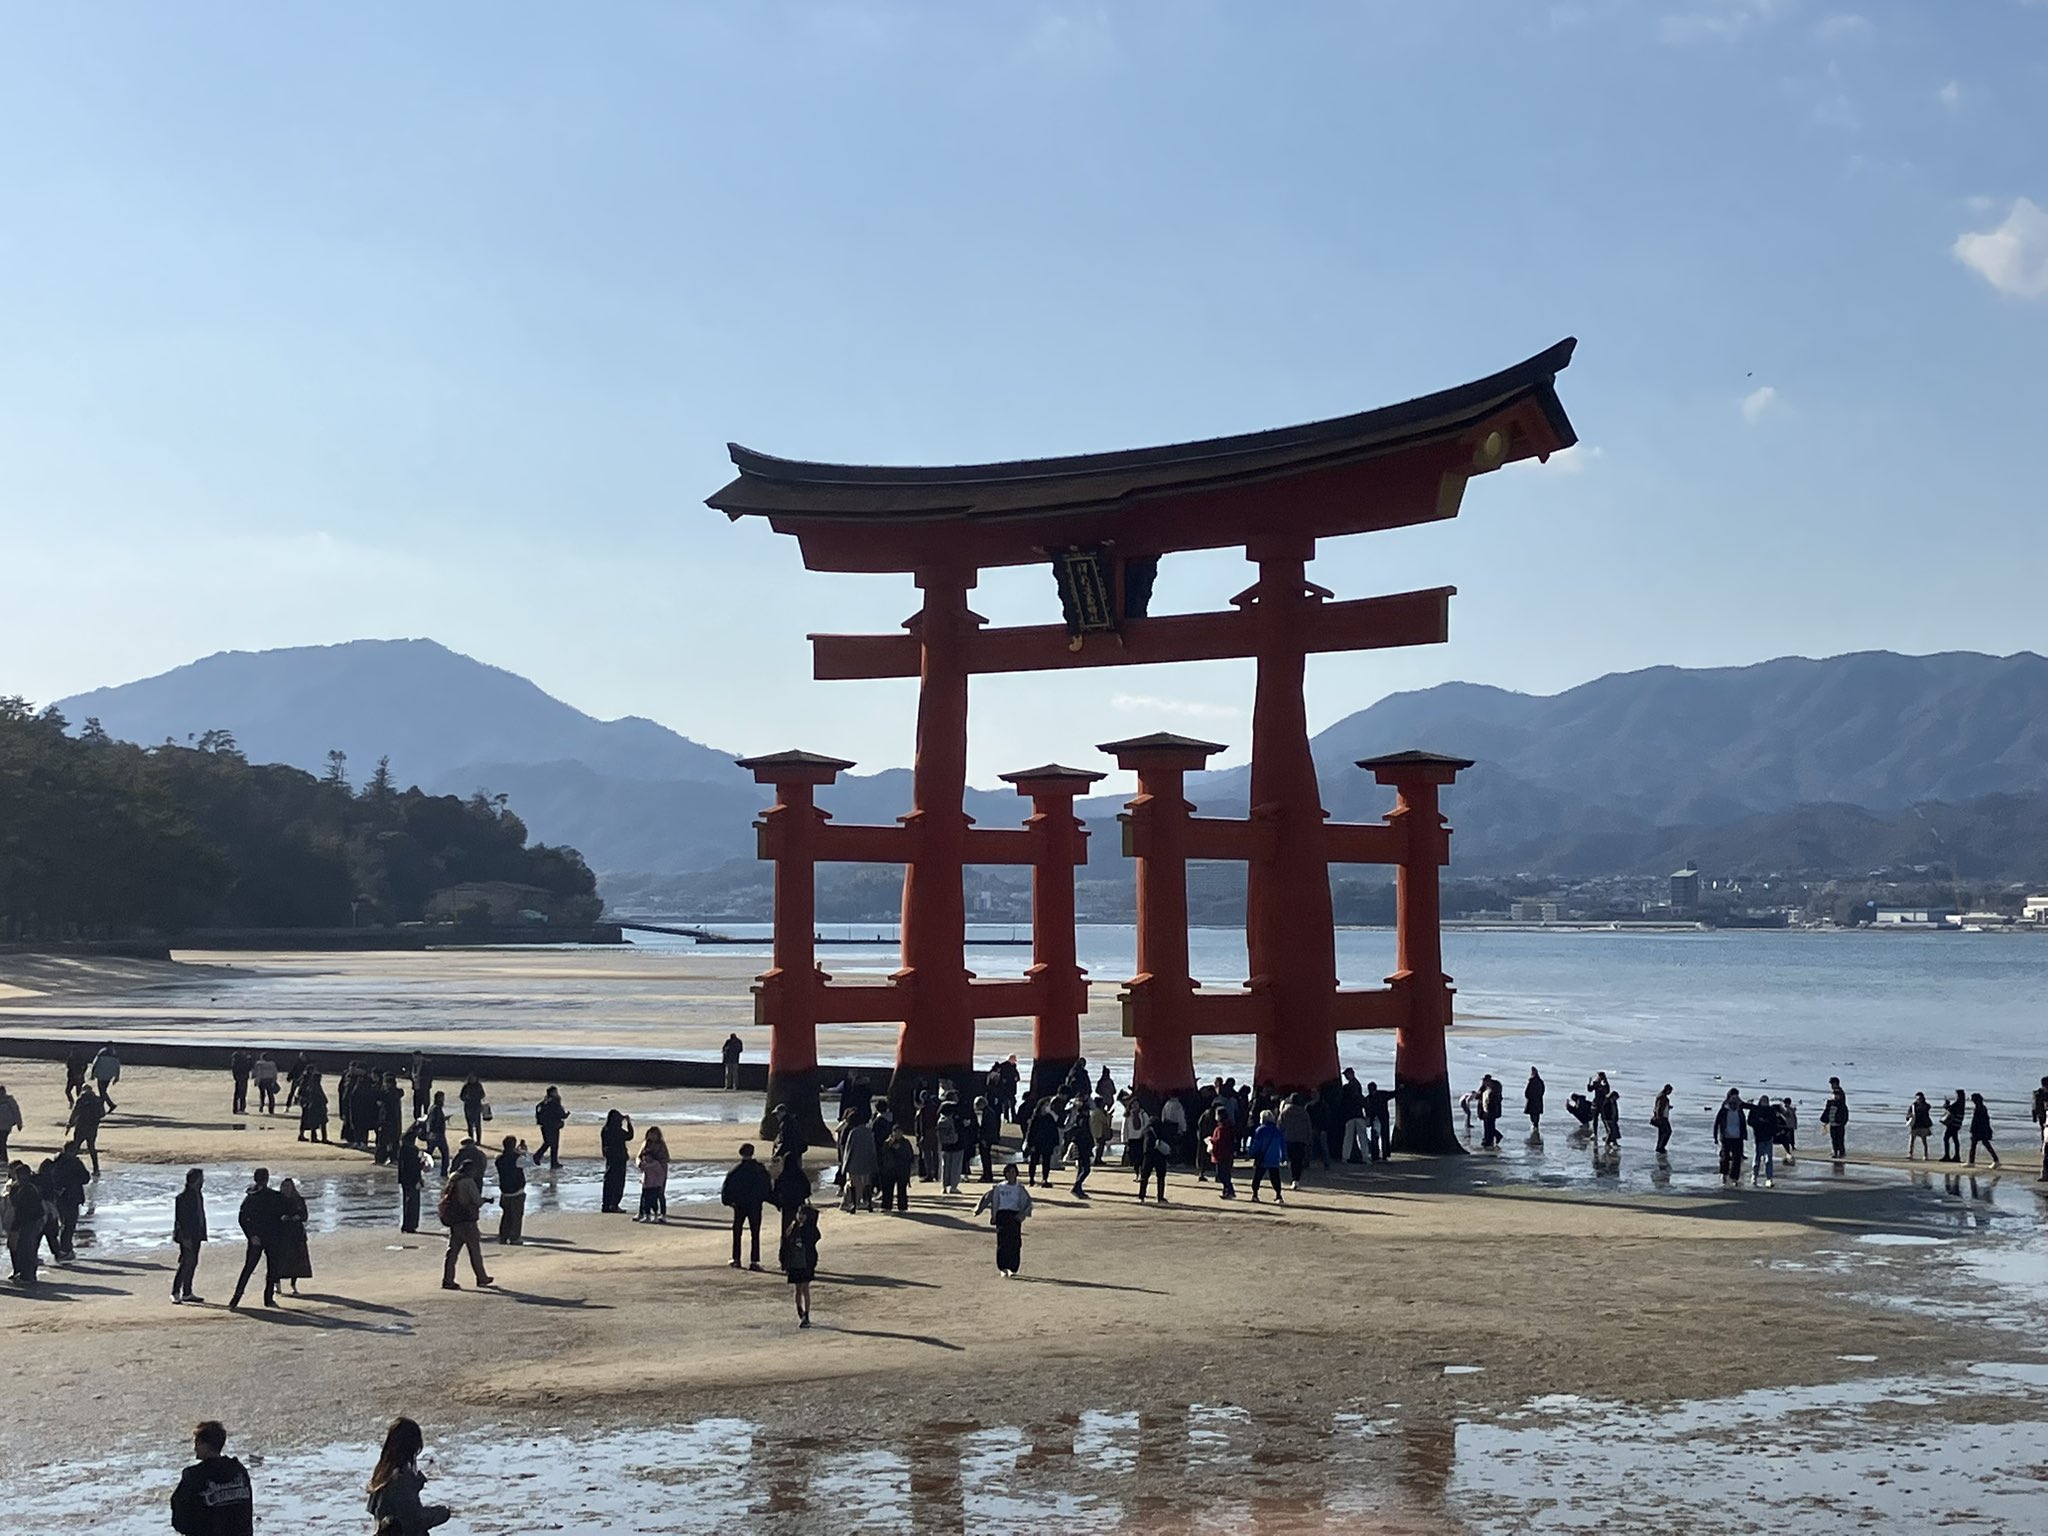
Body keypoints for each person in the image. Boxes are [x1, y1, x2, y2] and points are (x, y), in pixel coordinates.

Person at [366, 1416, 452, 1534]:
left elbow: (373, 1509)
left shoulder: (382, 1474)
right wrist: (442, 1512)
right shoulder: (402, 1479)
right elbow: (416, 1520)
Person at [170, 1420, 254, 1536]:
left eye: (197, 1443)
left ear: (205, 1444)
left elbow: (180, 1519)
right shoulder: (239, 1471)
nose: (195, 1448)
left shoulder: (194, 1476)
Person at [228, 1168, 287, 1310]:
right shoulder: (272, 1196)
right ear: (267, 1178)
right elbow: (284, 1212)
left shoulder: (250, 1196)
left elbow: (242, 1218)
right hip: (270, 1236)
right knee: (270, 1268)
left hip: (258, 1237)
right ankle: (267, 1299)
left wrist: (251, 1235)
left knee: (249, 1268)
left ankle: (236, 1298)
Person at [438, 1152, 494, 1291]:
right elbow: (476, 1201)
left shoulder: (453, 1178)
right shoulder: (468, 1182)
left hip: (454, 1219)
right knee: (474, 1250)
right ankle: (481, 1278)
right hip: (467, 1219)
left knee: (452, 1251)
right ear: (470, 1170)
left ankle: (448, 1279)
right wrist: (486, 1200)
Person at [974, 1163, 1034, 1277]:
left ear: (1016, 1174)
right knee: (1002, 1242)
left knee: (1015, 1242)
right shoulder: (999, 1187)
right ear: (1005, 1174)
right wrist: (978, 1210)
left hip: (1015, 1215)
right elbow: (987, 1198)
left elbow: (1028, 1203)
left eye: (1013, 1172)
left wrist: (1022, 1215)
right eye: (1008, 1172)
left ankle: (1013, 1268)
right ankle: (1003, 1267)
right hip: (1002, 1215)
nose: (1011, 1175)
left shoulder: (1020, 1188)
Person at [722, 1143, 772, 1269]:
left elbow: (727, 1187)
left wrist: (729, 1201)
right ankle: (754, 1261)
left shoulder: (736, 1170)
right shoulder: (759, 1169)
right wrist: (765, 1198)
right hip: (755, 1204)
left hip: (739, 1205)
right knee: (755, 1233)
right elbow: (767, 1185)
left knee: (737, 1231)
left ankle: (736, 1259)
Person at [3, 1161, 46, 1287]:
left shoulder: (30, 1189)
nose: (22, 1178)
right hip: (21, 1221)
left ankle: (28, 1275)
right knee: (18, 1248)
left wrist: (15, 1228)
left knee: (27, 1248)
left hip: (31, 1221)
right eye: (19, 1175)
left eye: (24, 1175)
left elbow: (25, 1211)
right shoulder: (16, 1187)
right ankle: (21, 1272)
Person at [45, 1140, 88, 1260]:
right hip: (71, 1196)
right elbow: (85, 1178)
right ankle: (65, 1249)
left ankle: (63, 1248)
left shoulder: (56, 1162)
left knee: (64, 1223)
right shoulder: (74, 1163)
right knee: (69, 1224)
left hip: (60, 1197)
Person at [780, 1202, 820, 1327]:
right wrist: (784, 1262)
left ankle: (806, 1314)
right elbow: (785, 1245)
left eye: (803, 1214)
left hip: (806, 1262)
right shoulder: (792, 1228)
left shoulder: (811, 1229)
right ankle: (800, 1311)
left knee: (805, 1288)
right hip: (794, 1262)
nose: (800, 1216)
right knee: (797, 1288)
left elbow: (815, 1239)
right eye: (799, 1213)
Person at [271, 1178, 312, 1296]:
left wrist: (297, 1217)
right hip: (281, 1234)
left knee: (296, 1261)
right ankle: (277, 1285)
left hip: (296, 1234)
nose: (286, 1189)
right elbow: (272, 1215)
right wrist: (281, 1218)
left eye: (289, 1186)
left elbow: (305, 1215)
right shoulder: (277, 1200)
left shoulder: (298, 1200)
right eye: (284, 1186)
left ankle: (293, 1285)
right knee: (279, 1260)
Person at [173, 1167, 208, 1303]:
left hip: (196, 1234)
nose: (203, 1182)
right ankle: (175, 1291)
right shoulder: (182, 1198)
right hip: (186, 1236)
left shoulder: (198, 1195)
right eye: (201, 1179)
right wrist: (184, 1238)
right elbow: (180, 1221)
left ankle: (187, 1292)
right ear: (195, 1181)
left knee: (193, 1262)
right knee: (185, 1262)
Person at [838, 1111, 878, 1213]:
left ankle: (854, 1205)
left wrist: (844, 1165)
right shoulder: (869, 1131)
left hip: (854, 1162)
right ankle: (869, 1203)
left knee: (853, 1184)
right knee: (867, 1183)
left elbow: (849, 1149)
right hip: (867, 1160)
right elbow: (872, 1148)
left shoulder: (853, 1132)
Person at [1248, 1110, 1288, 1204]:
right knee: (1275, 1178)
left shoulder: (1260, 1130)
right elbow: (1282, 1144)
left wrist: (1251, 1153)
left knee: (1257, 1177)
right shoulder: (1277, 1130)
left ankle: (1255, 1195)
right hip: (1274, 1158)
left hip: (1262, 1157)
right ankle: (1278, 1195)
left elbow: (1256, 1144)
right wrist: (1283, 1156)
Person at [495, 1135, 528, 1244]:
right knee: (516, 1217)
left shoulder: (499, 1159)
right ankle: (515, 1238)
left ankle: (503, 1237)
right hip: (516, 1191)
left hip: (505, 1192)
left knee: (506, 1216)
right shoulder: (517, 1159)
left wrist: (519, 1153)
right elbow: (530, 1162)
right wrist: (523, 1152)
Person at [67, 1084, 106, 1177]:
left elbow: (75, 1112)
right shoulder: (98, 1099)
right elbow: (103, 1113)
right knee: (91, 1147)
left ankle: (70, 1167)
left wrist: (70, 1123)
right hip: (92, 1127)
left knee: (75, 1146)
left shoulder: (81, 1099)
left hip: (81, 1126)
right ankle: (96, 1169)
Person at [599, 1109, 634, 1213]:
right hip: (619, 1158)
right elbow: (630, 1136)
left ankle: (606, 1205)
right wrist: (629, 1123)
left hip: (610, 1158)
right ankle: (614, 1205)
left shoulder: (605, 1130)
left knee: (608, 1182)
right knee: (618, 1183)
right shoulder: (617, 1131)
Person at [395, 1126, 427, 1232]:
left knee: (406, 1202)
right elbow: (415, 1167)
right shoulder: (413, 1150)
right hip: (413, 1179)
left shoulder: (402, 1150)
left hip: (404, 1179)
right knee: (413, 1203)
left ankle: (405, 1224)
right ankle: (411, 1225)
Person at [636, 1127, 671, 1223]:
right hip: (646, 1173)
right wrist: (639, 1163)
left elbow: (666, 1159)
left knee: (659, 1193)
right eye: (650, 1134)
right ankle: (642, 1213)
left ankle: (662, 1214)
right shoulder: (645, 1144)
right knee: (644, 1194)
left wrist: (655, 1165)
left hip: (659, 1172)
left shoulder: (661, 1145)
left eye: (654, 1134)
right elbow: (639, 1156)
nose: (652, 1136)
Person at [877, 1125, 915, 1213]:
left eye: (899, 1131)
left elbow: (910, 1156)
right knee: (887, 1189)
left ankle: (902, 1207)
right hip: (889, 1170)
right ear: (892, 1132)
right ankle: (886, 1206)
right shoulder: (887, 1143)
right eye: (896, 1131)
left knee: (902, 1190)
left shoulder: (906, 1143)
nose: (898, 1134)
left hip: (902, 1170)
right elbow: (882, 1155)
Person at [1136, 1114, 1172, 1204]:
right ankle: (1160, 1197)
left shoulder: (1146, 1130)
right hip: (1160, 1156)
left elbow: (1140, 1142)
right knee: (1161, 1177)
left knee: (1144, 1177)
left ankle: (1142, 1196)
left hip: (1148, 1155)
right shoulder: (1162, 1129)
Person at [1713, 1090, 1748, 1182]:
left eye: (1736, 1098)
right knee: (1725, 1157)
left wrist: (1744, 1135)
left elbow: (1744, 1121)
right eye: (1732, 1098)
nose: (1734, 1101)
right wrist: (1715, 1137)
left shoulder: (1740, 1110)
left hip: (1738, 1137)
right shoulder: (1724, 1110)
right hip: (1726, 1137)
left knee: (1737, 1159)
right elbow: (1717, 1123)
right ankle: (1724, 1174)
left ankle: (1734, 1178)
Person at [1747, 1095, 1780, 1186]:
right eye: (1763, 1100)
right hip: (1758, 1138)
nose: (1765, 1102)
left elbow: (1775, 1123)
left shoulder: (1771, 1110)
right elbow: (1750, 1121)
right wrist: (1759, 1122)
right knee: (1757, 1159)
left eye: (1766, 1100)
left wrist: (1773, 1133)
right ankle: (1754, 1176)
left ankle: (1769, 1179)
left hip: (1768, 1138)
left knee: (1768, 1160)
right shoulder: (1755, 1110)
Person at [533, 1087, 568, 1170]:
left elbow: (538, 1109)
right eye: (555, 1091)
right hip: (553, 1126)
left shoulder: (545, 1101)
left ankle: (549, 1160)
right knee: (553, 1144)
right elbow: (560, 1113)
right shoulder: (555, 1101)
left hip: (545, 1126)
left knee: (548, 1142)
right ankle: (544, 1158)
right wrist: (566, 1115)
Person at [1208, 1113, 1238, 1199]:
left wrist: (1212, 1140)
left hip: (1221, 1154)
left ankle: (1229, 1190)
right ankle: (1227, 1191)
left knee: (1221, 1174)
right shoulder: (1230, 1127)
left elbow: (1219, 1141)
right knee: (1226, 1174)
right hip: (1228, 1154)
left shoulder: (1220, 1129)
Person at [1967, 1093, 2000, 1167]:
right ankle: (1995, 1160)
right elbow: (1986, 1120)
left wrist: (1972, 1130)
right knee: (1983, 1144)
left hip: (1978, 1130)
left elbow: (1975, 1121)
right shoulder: (1983, 1108)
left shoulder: (1978, 1109)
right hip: (1983, 1129)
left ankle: (1971, 1162)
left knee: (1974, 1146)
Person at [296, 1069, 329, 1143]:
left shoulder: (308, 1084)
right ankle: (323, 1138)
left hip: (309, 1105)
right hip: (315, 1106)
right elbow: (321, 1097)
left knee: (311, 1122)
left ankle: (311, 1137)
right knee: (321, 1122)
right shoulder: (314, 1086)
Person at [1822, 1077, 1849, 1160]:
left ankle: (1840, 1152)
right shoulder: (1835, 1098)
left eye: (1832, 1084)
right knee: (1835, 1138)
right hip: (1834, 1121)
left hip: (1839, 1121)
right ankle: (1837, 1152)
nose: (1831, 1086)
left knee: (1839, 1138)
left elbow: (1841, 1106)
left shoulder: (1840, 1093)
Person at [91, 1042, 121, 1110]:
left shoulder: (102, 1052)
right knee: (103, 1091)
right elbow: (117, 1066)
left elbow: (95, 1063)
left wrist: (93, 1074)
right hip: (109, 1076)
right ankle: (103, 1107)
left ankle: (110, 1105)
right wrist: (117, 1076)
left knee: (102, 1091)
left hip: (101, 1075)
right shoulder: (114, 1053)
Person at [458, 1075, 488, 1144]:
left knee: (478, 1124)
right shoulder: (466, 1086)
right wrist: (466, 1099)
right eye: (471, 1078)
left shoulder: (478, 1086)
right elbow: (461, 1096)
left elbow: (483, 1095)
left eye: (474, 1078)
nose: (472, 1079)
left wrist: (477, 1098)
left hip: (476, 1106)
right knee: (469, 1125)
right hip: (468, 1106)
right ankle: (471, 1139)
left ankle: (478, 1140)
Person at [1941, 1089, 1967, 1163]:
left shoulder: (1958, 1103)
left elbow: (1949, 1109)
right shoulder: (1962, 1103)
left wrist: (1946, 1104)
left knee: (1946, 1139)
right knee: (1955, 1139)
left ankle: (1947, 1156)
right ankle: (1956, 1156)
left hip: (1953, 1124)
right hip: (1957, 1124)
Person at [1907, 1093, 1934, 1160]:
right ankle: (1910, 1154)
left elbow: (1928, 1108)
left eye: (1920, 1099)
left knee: (1924, 1141)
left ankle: (1925, 1155)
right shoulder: (1913, 1106)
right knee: (1912, 1140)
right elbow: (1908, 1114)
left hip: (1923, 1125)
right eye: (1917, 1099)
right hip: (1915, 1125)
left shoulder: (1925, 1106)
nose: (1918, 1100)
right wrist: (1910, 1116)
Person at [408, 1051, 434, 1122]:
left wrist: (421, 1079)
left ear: (420, 1056)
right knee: (416, 1106)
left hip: (424, 1088)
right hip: (416, 1089)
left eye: (415, 1057)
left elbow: (430, 1076)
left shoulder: (427, 1064)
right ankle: (417, 1121)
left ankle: (426, 1121)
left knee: (426, 1106)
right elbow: (411, 1074)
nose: (414, 1059)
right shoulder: (413, 1065)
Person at [1651, 1085, 1674, 1155]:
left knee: (1662, 1133)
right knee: (1668, 1131)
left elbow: (1659, 1107)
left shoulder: (1661, 1096)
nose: (1670, 1093)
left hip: (1662, 1117)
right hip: (1662, 1118)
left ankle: (1659, 1147)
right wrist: (1658, 1116)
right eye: (1670, 1091)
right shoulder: (1662, 1097)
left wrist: (1668, 1107)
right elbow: (1659, 1107)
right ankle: (1661, 1146)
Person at [228, 1051, 253, 1116]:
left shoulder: (235, 1063)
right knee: (243, 1093)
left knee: (237, 1094)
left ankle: (236, 1109)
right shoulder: (244, 1062)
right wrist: (249, 1060)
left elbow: (234, 1070)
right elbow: (249, 1067)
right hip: (243, 1077)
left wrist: (235, 1077)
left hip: (238, 1078)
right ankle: (241, 1108)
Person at [1525, 1068, 1546, 1135]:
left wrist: (1528, 1096)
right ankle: (1536, 1124)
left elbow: (1527, 1091)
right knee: (1537, 1113)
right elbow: (1543, 1091)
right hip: (1538, 1100)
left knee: (1532, 1113)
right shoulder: (1540, 1082)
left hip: (1532, 1100)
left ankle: (1534, 1124)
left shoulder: (1531, 1082)